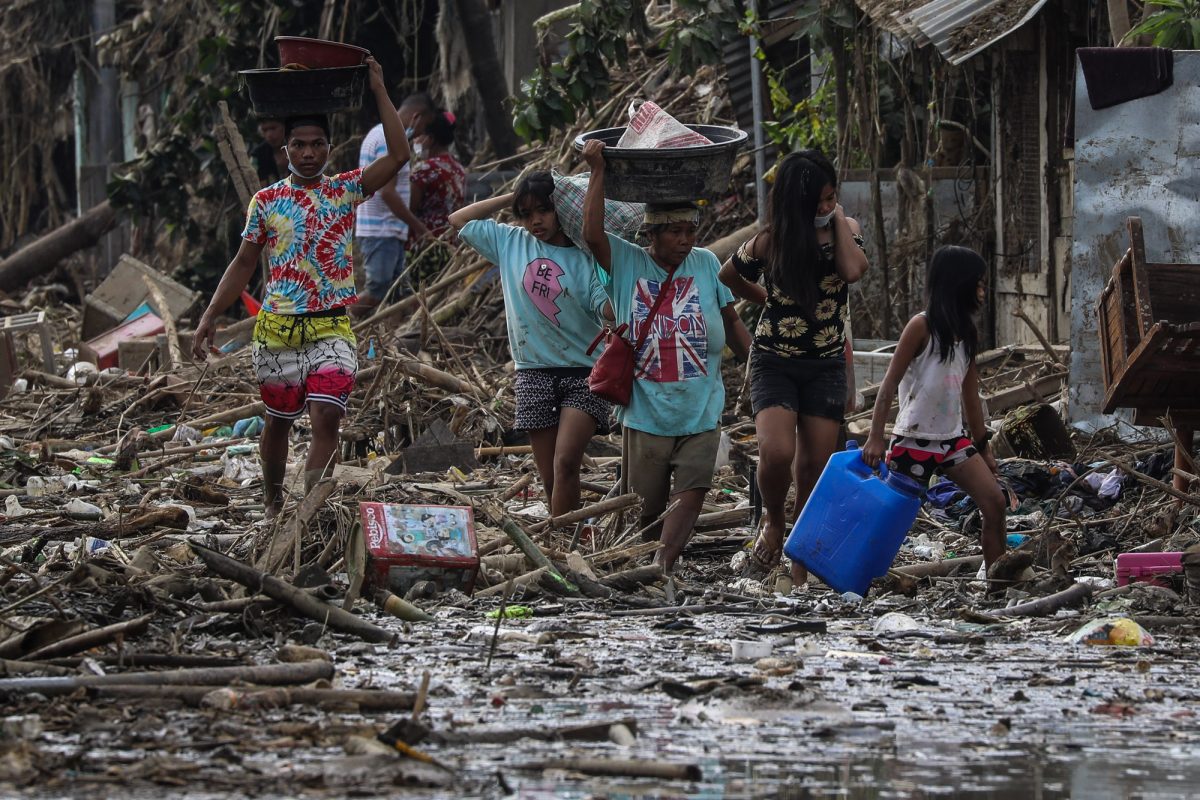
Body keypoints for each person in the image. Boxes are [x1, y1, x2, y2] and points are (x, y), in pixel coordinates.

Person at [191, 57, 411, 518]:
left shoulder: (345, 190)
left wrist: (379, 89)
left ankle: (310, 510)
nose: (308, 152)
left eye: (316, 144)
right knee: (277, 422)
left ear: (330, 147)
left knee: (328, 415)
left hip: (331, 326)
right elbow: (244, 262)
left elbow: (398, 155)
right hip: (278, 331)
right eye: (298, 145)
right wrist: (210, 315)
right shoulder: (266, 201)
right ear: (285, 149)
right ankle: (273, 506)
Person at [581, 140, 751, 573]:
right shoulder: (626, 264)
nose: (684, 240)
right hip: (647, 414)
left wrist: (756, 364)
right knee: (647, 506)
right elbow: (592, 234)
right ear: (651, 235)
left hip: (701, 408)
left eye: (690, 231)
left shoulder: (707, 266)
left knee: (693, 489)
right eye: (674, 232)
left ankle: (663, 563)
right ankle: (649, 562)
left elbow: (731, 322)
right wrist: (598, 171)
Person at [719, 150, 869, 584]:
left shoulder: (847, 231)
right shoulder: (772, 240)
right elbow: (729, 275)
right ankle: (772, 521)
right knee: (778, 452)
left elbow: (853, 270)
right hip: (774, 360)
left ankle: (799, 555)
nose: (826, 206)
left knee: (813, 468)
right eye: (819, 201)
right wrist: (765, 299)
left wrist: (837, 219)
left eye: (831, 197)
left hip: (824, 364)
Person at [447, 171, 613, 521]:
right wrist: (511, 199)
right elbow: (459, 219)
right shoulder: (510, 242)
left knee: (566, 462)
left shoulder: (587, 255)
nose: (535, 221)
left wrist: (617, 305)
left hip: (584, 373)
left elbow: (604, 302)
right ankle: (562, 541)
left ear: (561, 210)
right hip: (533, 372)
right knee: (550, 474)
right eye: (526, 213)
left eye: (544, 210)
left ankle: (565, 541)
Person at [862, 245, 1006, 573]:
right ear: (960, 285)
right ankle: (858, 574)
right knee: (892, 518)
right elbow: (887, 385)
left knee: (995, 503)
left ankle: (998, 582)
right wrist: (874, 436)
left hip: (951, 441)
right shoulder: (921, 327)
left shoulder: (967, 335)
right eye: (979, 284)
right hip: (913, 441)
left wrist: (983, 448)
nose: (983, 291)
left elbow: (970, 399)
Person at [356, 92, 435, 306]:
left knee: (396, 294)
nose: (420, 133)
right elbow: (387, 192)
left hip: (388, 230)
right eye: (423, 126)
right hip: (380, 229)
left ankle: (393, 337)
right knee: (377, 292)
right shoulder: (387, 138)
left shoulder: (385, 135)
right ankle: (341, 322)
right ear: (416, 117)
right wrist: (419, 227)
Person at [407, 109, 466, 286]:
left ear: (430, 139)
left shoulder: (424, 170)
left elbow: (410, 208)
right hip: (451, 242)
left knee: (419, 295)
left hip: (426, 244)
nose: (416, 141)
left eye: (420, 136)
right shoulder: (458, 168)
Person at [249, 116, 288, 185]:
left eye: (273, 128)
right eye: (265, 130)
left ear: (284, 127)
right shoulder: (258, 154)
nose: (269, 134)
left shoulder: (298, 146)